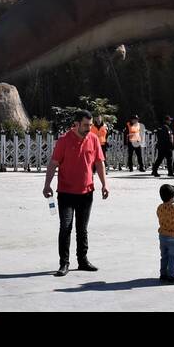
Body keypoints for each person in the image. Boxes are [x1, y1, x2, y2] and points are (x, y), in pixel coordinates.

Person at [43, 110, 108, 277]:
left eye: (91, 125)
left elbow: (99, 163)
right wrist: (47, 184)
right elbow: (53, 163)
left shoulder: (93, 139)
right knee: (66, 227)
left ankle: (82, 260)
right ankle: (64, 263)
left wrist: (104, 184)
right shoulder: (64, 141)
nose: (89, 128)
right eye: (86, 125)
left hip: (87, 192)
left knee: (82, 229)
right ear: (77, 124)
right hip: (66, 193)